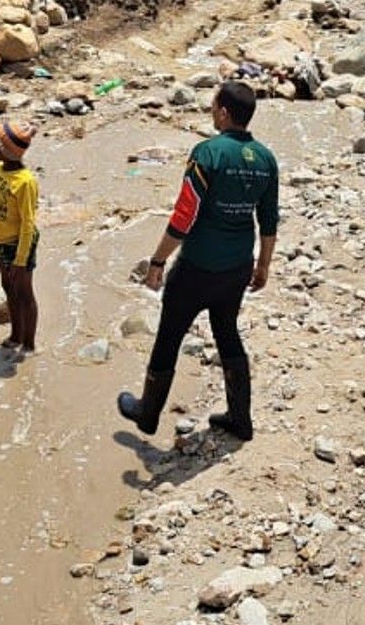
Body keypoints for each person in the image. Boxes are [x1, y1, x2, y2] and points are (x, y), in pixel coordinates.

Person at [119, 81, 279, 442]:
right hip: (237, 267)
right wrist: (263, 265)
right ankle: (241, 418)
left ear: (223, 112)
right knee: (226, 333)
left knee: (169, 336)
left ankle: (147, 413)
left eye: (213, 105)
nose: (210, 110)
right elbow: (268, 220)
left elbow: (184, 217)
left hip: (196, 269)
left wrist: (158, 261)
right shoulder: (266, 159)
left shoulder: (207, 153)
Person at [0, 117, 39, 352]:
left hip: (18, 244)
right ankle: (15, 335)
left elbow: (28, 223)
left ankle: (28, 344)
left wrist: (20, 260)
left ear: (7, 151)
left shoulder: (25, 182)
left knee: (24, 293)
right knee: (8, 289)